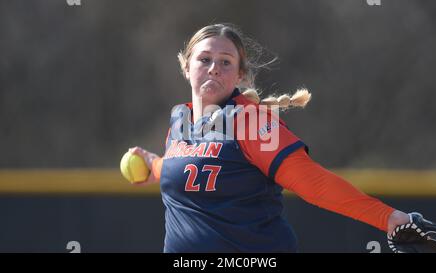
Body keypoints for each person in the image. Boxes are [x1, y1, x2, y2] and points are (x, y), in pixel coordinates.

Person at [129, 23, 410, 253]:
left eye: (225, 62)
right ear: (187, 66)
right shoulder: (179, 121)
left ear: (239, 75)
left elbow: (314, 183)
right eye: (204, 59)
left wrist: (389, 218)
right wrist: (153, 165)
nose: (214, 67)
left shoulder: (250, 122)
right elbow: (186, 166)